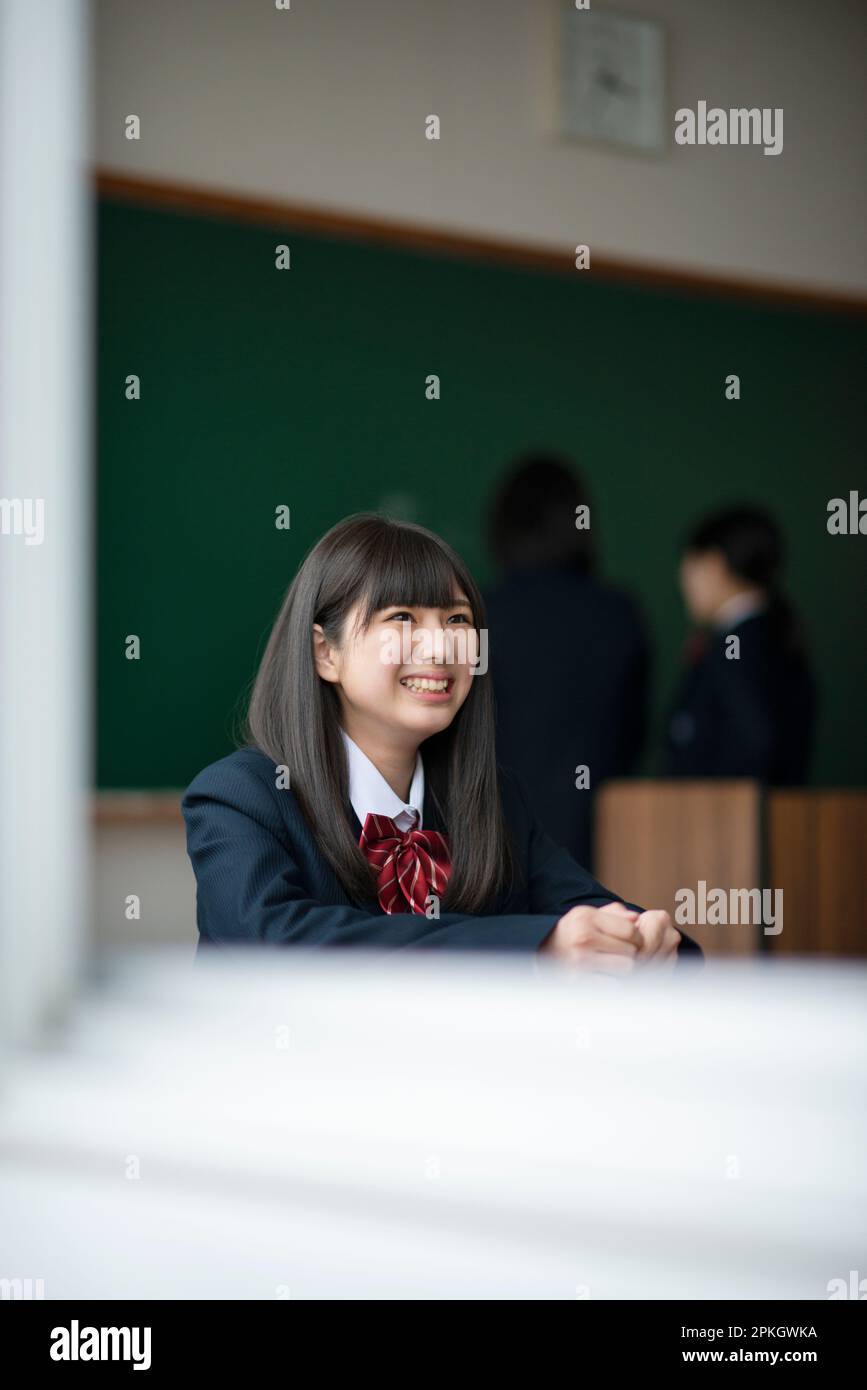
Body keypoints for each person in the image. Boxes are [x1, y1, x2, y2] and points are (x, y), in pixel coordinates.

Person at [182, 513, 702, 971]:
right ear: (326, 654)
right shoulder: (240, 798)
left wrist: (646, 942)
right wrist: (535, 948)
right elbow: (282, 946)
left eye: (457, 621)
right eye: (402, 618)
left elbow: (595, 917)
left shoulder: (493, 801)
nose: (440, 647)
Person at [484, 452, 650, 868]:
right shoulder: (619, 612)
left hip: (497, 844)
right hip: (611, 844)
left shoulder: (480, 612)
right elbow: (635, 731)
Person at [664, 505, 816, 783]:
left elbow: (755, 743)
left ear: (716, 565)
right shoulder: (775, 639)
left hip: (719, 822)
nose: (683, 578)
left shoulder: (738, 647)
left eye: (690, 564)